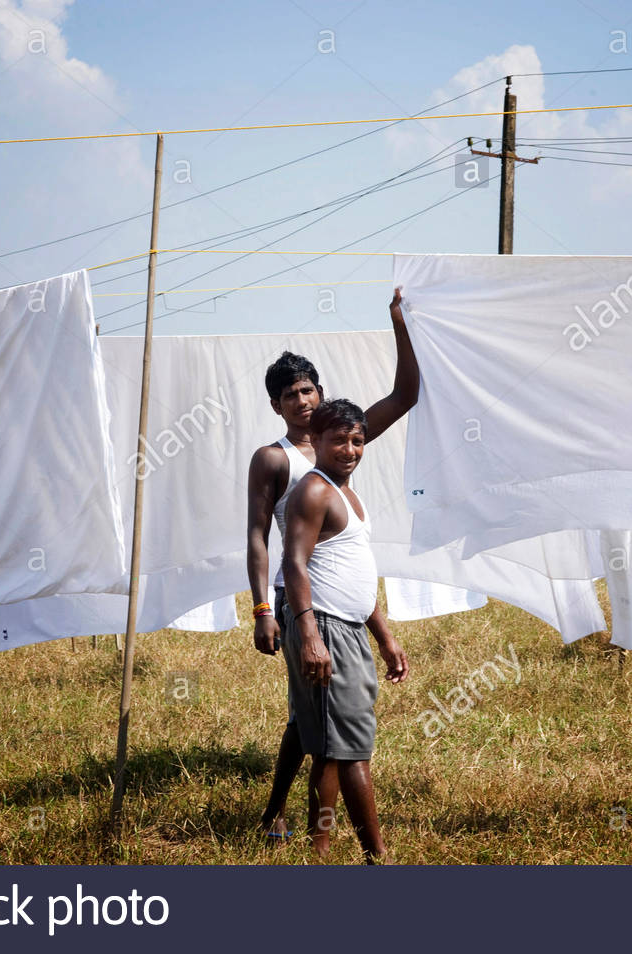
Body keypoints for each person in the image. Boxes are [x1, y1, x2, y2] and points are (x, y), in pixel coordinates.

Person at [245, 289, 419, 844]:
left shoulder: (340, 443)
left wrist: (401, 320)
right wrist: (262, 608)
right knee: (322, 729)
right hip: (302, 601)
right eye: (289, 394)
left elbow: (406, 394)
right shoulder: (277, 458)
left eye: (307, 389)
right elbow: (259, 537)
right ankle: (302, 830)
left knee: (309, 724)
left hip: (338, 603)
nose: (300, 399)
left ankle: (284, 824)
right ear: (276, 405)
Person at [281, 398, 408, 863]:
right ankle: (378, 857)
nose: (350, 449)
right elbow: (294, 564)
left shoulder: (347, 492)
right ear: (314, 439)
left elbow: (352, 573)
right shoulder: (314, 491)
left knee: (331, 748)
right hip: (327, 629)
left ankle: (320, 849)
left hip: (350, 627)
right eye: (338, 439)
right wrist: (310, 635)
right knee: (353, 750)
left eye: (357, 440)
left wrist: (385, 636)